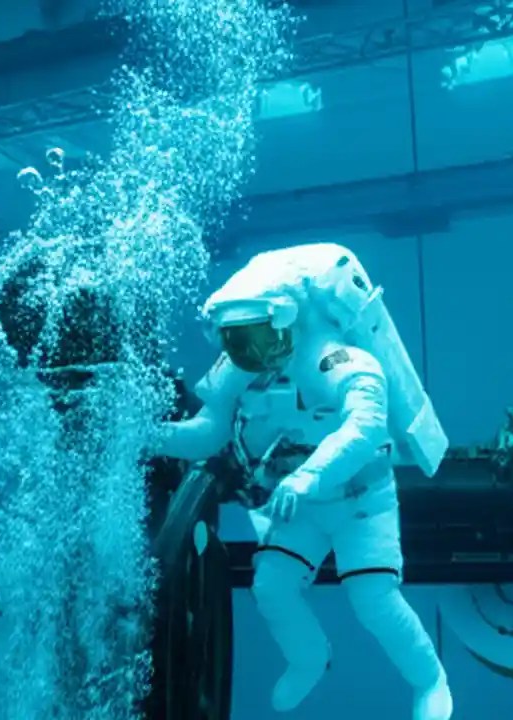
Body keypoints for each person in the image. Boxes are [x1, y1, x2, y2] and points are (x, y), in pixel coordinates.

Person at [160, 243, 453, 719]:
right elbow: (209, 432)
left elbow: (365, 426)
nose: (254, 355)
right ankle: (308, 657)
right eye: (238, 341)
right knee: (272, 587)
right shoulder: (242, 364)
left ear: (286, 320)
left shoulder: (336, 359)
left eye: (259, 340)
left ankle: (430, 680)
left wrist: (307, 478)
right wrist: (148, 436)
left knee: (374, 600)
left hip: (361, 500)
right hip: (299, 502)